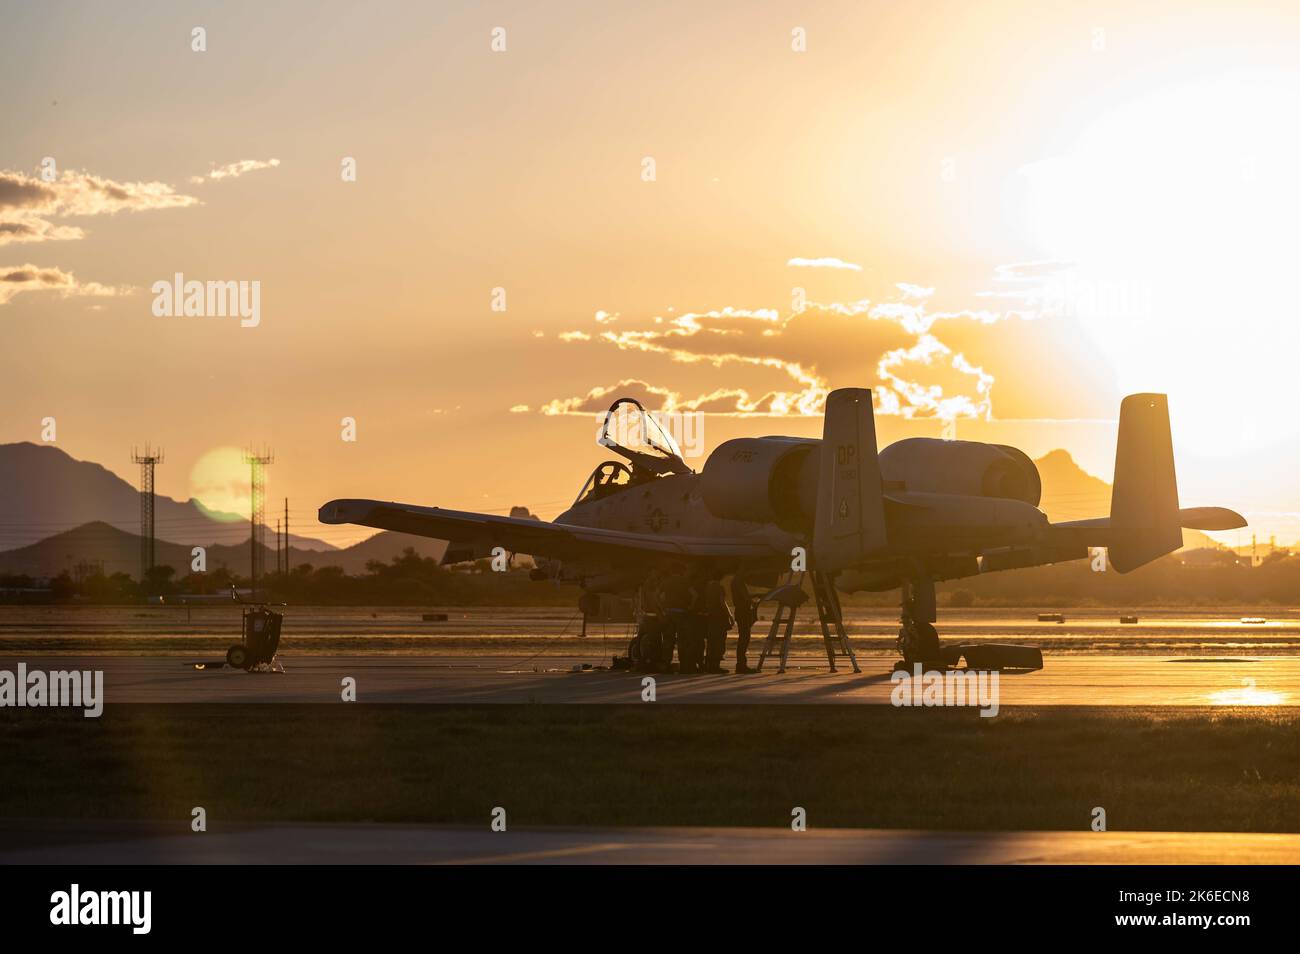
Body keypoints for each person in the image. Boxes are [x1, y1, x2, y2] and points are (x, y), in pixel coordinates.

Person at [658, 570, 696, 672]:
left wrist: (663, 608)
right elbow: (694, 594)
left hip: (669, 613)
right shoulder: (685, 581)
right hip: (681, 613)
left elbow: (660, 596)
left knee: (668, 640)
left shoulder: (666, 581)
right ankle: (684, 665)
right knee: (682, 640)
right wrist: (690, 606)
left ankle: (666, 664)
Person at [702, 574, 733, 673]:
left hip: (710, 617)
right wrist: (730, 615)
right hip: (719, 618)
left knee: (711, 642)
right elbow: (722, 602)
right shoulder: (719, 588)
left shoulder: (706, 587)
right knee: (719, 641)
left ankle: (709, 664)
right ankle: (715, 665)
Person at [730, 573, 757, 673]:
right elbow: (745, 597)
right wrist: (752, 601)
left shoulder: (735, 581)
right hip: (743, 612)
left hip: (740, 611)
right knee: (744, 637)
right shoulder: (738, 582)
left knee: (743, 637)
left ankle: (741, 664)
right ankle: (741, 665)